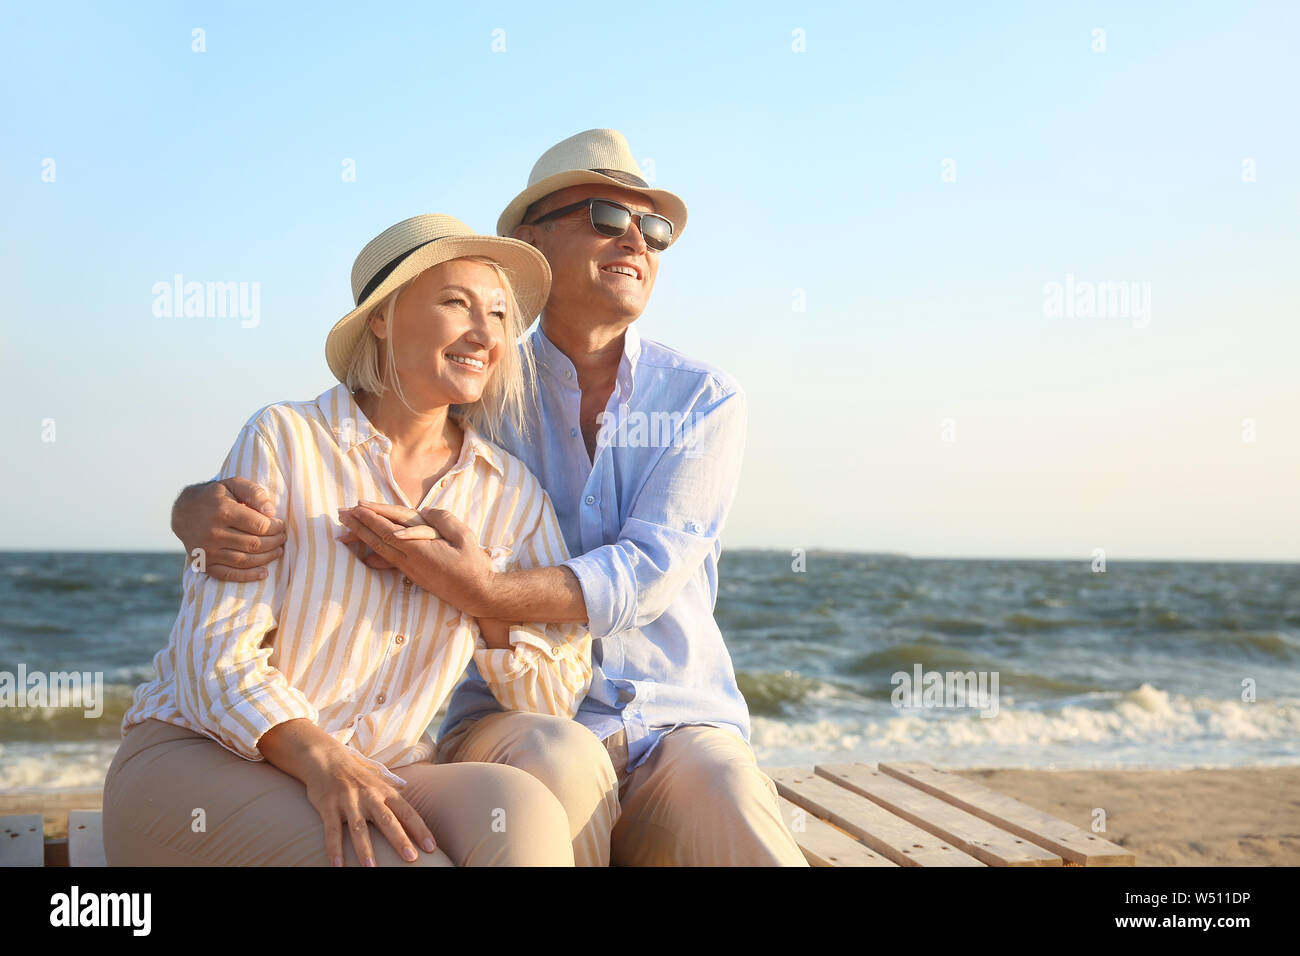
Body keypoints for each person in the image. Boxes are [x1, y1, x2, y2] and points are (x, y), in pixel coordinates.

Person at [172, 130, 808, 867]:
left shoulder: (702, 398)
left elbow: (652, 569)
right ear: (529, 241)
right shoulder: (478, 387)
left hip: (677, 720)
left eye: (655, 228)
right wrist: (194, 507)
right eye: (605, 216)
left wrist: (484, 590)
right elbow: (358, 431)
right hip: (510, 720)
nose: (636, 238)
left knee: (729, 792)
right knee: (554, 758)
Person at [106, 214, 589, 867]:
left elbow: (552, 697)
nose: (485, 333)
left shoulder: (509, 492)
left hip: (382, 764)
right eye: (456, 303)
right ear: (382, 318)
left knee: (524, 814)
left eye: (500, 315)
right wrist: (322, 760)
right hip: (203, 759)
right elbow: (213, 660)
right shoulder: (284, 439)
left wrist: (478, 590)